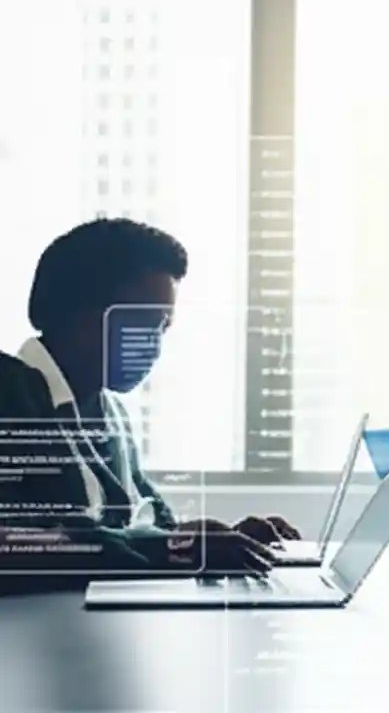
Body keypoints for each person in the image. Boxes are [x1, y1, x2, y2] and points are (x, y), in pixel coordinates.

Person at [0, 218, 295, 575]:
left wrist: (227, 540)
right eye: (142, 324)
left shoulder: (108, 413)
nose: (154, 347)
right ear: (79, 315)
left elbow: (145, 530)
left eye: (162, 329)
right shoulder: (11, 392)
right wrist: (175, 549)